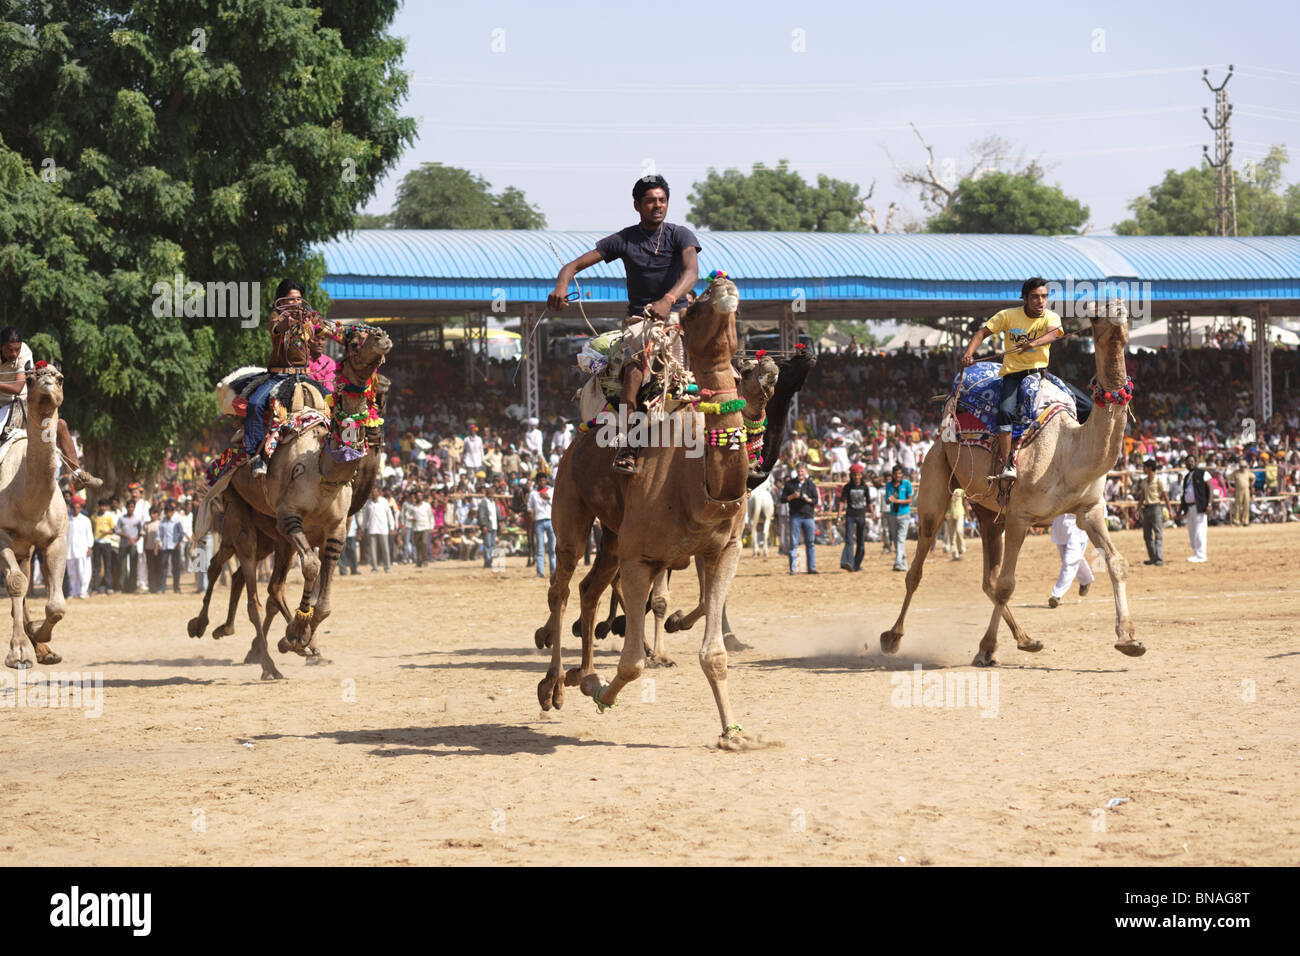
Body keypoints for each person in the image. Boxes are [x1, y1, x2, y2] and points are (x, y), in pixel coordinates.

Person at [548, 174, 701, 474]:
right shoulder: (624, 239)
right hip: (641, 321)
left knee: (724, 356)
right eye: (650, 201)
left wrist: (669, 299)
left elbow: (692, 271)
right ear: (637, 205)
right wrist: (561, 285)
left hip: (679, 315)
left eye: (662, 200)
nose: (657, 205)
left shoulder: (681, 235)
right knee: (634, 365)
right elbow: (572, 266)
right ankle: (630, 443)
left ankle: (745, 441)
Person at [960, 278, 1064, 480]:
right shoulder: (1007, 315)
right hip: (1013, 376)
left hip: (1038, 374)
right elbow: (982, 333)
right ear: (1025, 298)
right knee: (1005, 412)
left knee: (1080, 404)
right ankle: (1007, 464)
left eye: (1044, 296)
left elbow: (1053, 334)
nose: (1040, 301)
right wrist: (968, 354)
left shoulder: (1050, 317)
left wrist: (1032, 344)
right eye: (1035, 297)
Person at [0, 327, 103, 489]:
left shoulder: (24, 352)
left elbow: (19, 387)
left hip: (23, 402)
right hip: (2, 406)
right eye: (9, 350)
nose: (14, 354)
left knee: (60, 425)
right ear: (1, 346)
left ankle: (78, 474)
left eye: (16, 350)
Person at [1047, 512, 1094, 607]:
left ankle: (1056, 595)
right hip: (1060, 527)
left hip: (1077, 528)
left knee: (1070, 562)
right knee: (1074, 559)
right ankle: (1086, 579)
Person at [1131, 458, 1171, 566]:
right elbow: (1142, 497)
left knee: (1158, 533)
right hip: (1148, 508)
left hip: (1156, 507)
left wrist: (1170, 509)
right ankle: (1153, 558)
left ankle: (1158, 558)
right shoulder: (1144, 481)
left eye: (1144, 467)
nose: (1143, 469)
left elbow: (1165, 496)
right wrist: (1138, 509)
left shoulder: (1159, 481)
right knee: (1147, 535)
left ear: (1149, 468)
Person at [782, 463, 819, 574]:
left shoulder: (811, 484)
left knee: (811, 543)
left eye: (802, 471)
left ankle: (811, 568)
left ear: (806, 472)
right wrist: (792, 496)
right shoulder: (790, 484)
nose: (800, 473)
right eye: (798, 471)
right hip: (795, 516)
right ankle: (793, 569)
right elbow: (782, 499)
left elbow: (816, 500)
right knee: (794, 543)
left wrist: (808, 500)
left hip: (808, 516)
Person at [1180, 455, 1213, 563]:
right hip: (1189, 507)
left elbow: (1210, 488)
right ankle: (1196, 552)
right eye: (1188, 462)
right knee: (1192, 531)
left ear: (1196, 462)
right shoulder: (1187, 477)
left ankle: (1201, 555)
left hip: (1199, 506)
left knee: (1200, 531)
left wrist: (1209, 504)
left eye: (1192, 461)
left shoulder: (1203, 473)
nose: (1190, 463)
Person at [838, 463, 871, 572]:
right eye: (854, 475)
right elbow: (842, 501)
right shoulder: (847, 487)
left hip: (861, 515)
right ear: (851, 475)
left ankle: (857, 565)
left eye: (858, 475)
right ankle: (847, 563)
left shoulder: (865, 487)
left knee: (861, 542)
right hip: (850, 515)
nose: (857, 477)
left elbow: (869, 501)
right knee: (849, 540)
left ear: (861, 475)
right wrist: (839, 514)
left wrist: (873, 513)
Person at [884, 465, 914, 572]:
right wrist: (889, 500)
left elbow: (910, 500)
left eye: (900, 473)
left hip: (904, 515)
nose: (898, 475)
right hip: (893, 514)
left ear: (902, 474)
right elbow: (887, 500)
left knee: (900, 539)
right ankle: (903, 564)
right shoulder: (889, 485)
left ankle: (897, 562)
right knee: (896, 540)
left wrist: (896, 501)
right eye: (896, 473)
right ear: (893, 474)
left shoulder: (907, 484)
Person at [360, 485, 394, 573]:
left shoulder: (384, 501)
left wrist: (392, 526)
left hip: (383, 529)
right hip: (372, 529)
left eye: (375, 492)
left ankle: (387, 567)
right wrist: (362, 529)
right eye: (372, 492)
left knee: (385, 549)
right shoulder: (368, 503)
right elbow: (365, 518)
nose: (373, 493)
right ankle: (374, 568)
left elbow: (389, 514)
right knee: (373, 550)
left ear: (379, 493)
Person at [527, 474, 555, 578]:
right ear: (537, 482)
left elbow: (556, 504)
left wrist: (548, 499)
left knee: (552, 548)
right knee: (540, 547)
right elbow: (529, 506)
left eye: (544, 480)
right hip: (538, 520)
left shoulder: (551, 491)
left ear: (546, 481)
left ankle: (554, 571)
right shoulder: (533, 493)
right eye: (540, 480)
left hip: (550, 519)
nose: (542, 482)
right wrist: (530, 512)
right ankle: (540, 572)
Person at [65, 495, 93, 599]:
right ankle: (74, 591)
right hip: (70, 550)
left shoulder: (85, 520)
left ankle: (84, 591)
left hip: (83, 549)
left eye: (78, 507)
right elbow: (65, 536)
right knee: (72, 573)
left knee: (83, 571)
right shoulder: (68, 520)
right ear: (71, 508)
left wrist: (90, 547)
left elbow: (89, 534)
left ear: (81, 508)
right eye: (74, 507)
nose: (76, 509)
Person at [158, 500, 186, 594]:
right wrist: (159, 544)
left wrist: (177, 544)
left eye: (170, 512)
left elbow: (181, 534)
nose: (168, 514)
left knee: (176, 568)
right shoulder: (162, 523)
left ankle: (176, 587)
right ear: (165, 513)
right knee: (164, 567)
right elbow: (159, 535)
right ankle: (162, 588)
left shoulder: (177, 522)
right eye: (167, 512)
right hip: (165, 547)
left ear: (173, 512)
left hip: (175, 547)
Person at [90, 498, 117, 594]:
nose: (103, 508)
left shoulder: (109, 516)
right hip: (97, 543)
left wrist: (106, 532)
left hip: (106, 543)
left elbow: (113, 530)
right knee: (96, 566)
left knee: (107, 565)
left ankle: (109, 587)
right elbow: (91, 529)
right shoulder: (94, 517)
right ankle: (95, 588)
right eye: (101, 506)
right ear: (99, 506)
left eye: (105, 506)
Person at [945, 487, 966, 561]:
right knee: (952, 535)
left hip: (959, 513)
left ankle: (961, 549)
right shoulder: (945, 490)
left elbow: (965, 499)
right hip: (949, 514)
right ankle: (955, 553)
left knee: (958, 530)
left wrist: (967, 513)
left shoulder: (959, 490)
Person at [1231, 457, 1253, 526]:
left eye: (1244, 467)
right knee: (1238, 505)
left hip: (1246, 490)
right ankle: (1236, 520)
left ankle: (1245, 521)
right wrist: (1230, 486)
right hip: (1238, 490)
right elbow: (1229, 478)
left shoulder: (1247, 472)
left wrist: (1251, 484)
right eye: (1241, 466)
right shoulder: (1236, 472)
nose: (1242, 468)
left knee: (1246, 505)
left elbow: (1253, 477)